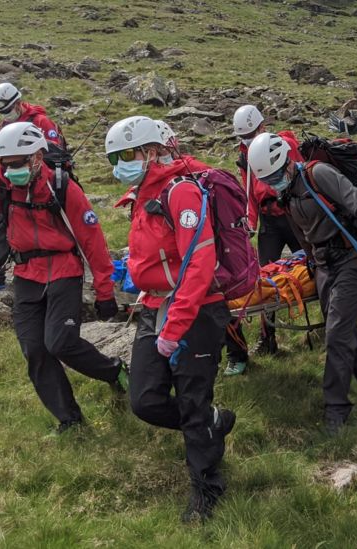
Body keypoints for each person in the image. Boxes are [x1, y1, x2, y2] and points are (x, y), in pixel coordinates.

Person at [0, 122, 126, 434]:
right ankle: (70, 421)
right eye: (6, 164)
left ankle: (114, 373)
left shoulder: (62, 187)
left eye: (18, 163)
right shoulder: (0, 181)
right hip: (26, 275)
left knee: (60, 342)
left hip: (63, 272)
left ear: (37, 156)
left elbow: (93, 241)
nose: (11, 170)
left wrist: (105, 292)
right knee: (35, 350)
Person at [105, 115, 235, 523]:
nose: (119, 164)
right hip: (154, 308)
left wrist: (175, 326)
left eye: (127, 154)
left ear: (152, 151)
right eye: (115, 157)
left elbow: (199, 263)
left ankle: (206, 489)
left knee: (193, 402)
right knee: (144, 400)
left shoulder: (181, 193)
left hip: (194, 310)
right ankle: (212, 424)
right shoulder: (143, 195)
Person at [248, 132, 357, 434]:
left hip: (354, 258)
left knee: (337, 333)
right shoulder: (286, 192)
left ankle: (336, 409)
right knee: (343, 330)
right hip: (324, 264)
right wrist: (311, 263)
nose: (274, 182)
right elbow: (304, 232)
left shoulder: (319, 174)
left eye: (277, 175)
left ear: (286, 162)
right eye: (268, 179)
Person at [223, 105, 304, 376]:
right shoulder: (245, 156)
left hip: (293, 216)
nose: (245, 139)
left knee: (314, 267)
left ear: (261, 127)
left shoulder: (284, 144)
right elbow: (249, 193)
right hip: (270, 221)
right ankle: (268, 338)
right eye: (241, 135)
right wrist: (251, 224)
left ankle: (331, 326)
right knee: (265, 279)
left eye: (249, 133)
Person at [0, 83, 69, 292]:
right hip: (15, 185)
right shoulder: (6, 125)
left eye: (8, 109)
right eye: (2, 112)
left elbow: (55, 155)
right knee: (4, 226)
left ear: (17, 102)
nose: (6, 115)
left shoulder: (42, 122)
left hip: (44, 187)